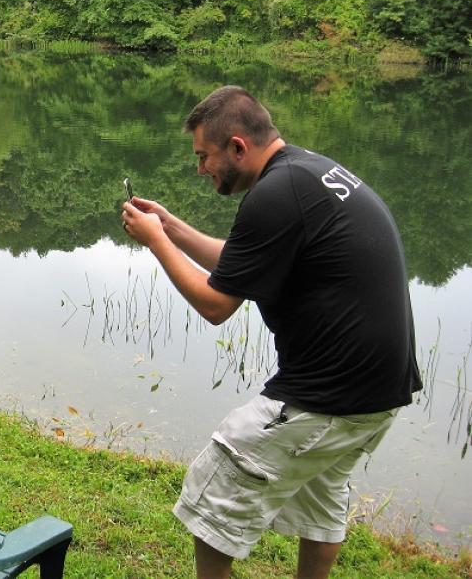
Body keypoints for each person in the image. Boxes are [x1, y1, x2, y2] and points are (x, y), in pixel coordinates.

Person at [121, 85, 421, 579]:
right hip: (378, 392)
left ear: (237, 146)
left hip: (329, 396)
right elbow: (242, 263)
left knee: (217, 486)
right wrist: (171, 227)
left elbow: (217, 304)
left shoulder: (276, 195)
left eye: (204, 156)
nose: (201, 170)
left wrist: (155, 243)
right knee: (322, 496)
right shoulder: (304, 172)